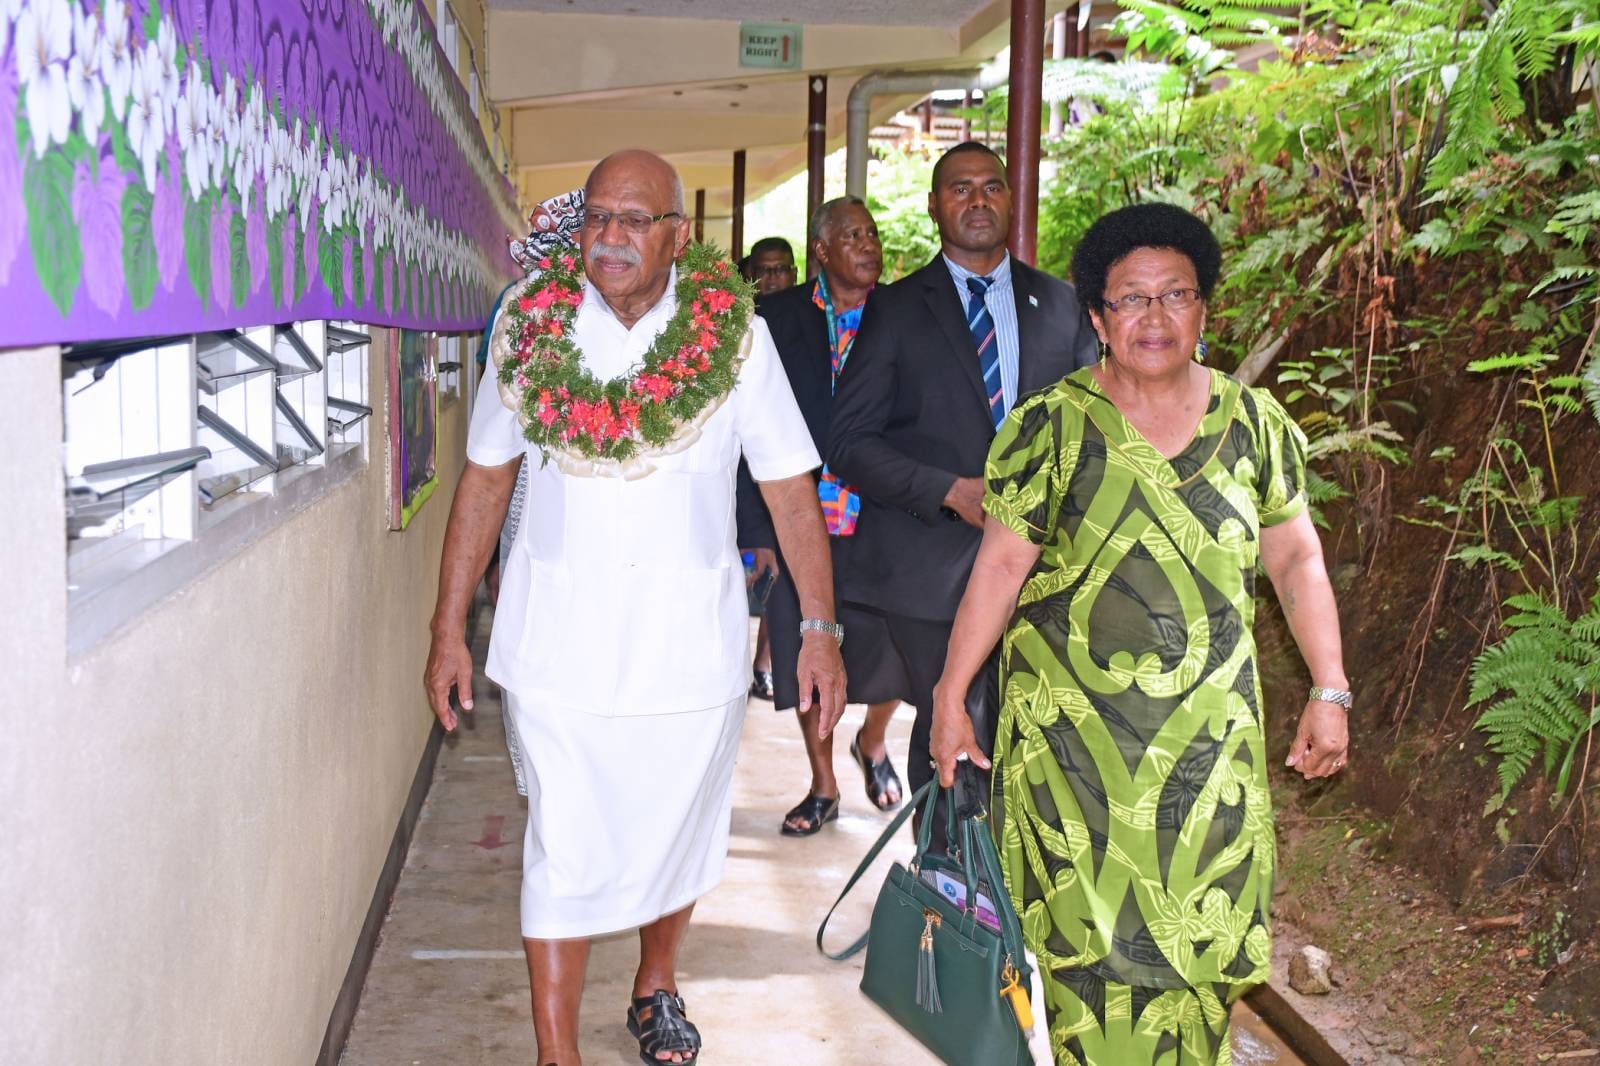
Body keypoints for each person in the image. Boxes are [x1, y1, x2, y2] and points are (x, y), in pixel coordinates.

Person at [424, 149, 846, 1066]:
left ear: (677, 237)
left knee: (672, 834)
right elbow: (486, 478)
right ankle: (555, 1052)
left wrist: (818, 631)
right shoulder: (529, 330)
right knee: (562, 849)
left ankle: (655, 983)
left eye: (633, 220)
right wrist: (446, 627)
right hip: (556, 646)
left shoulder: (734, 337)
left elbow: (787, 487)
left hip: (688, 650)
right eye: (598, 219)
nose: (610, 237)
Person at [930, 202, 1352, 1064]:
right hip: (1071, 759)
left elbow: (1297, 561)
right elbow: (1002, 569)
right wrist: (949, 694)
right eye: (1129, 299)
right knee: (1085, 973)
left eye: (1176, 296)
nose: (1154, 318)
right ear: (1096, 318)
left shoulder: (1255, 427)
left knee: (1199, 972)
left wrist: (1330, 689)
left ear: (1205, 310)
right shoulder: (1049, 428)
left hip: (1206, 767)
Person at [826, 140, 1099, 820]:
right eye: (959, 188)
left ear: (1010, 198)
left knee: (1026, 734)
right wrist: (949, 490)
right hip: (932, 565)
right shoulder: (894, 309)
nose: (977, 201)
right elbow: (848, 442)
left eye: (991, 187)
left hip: (1046, 570)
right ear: (934, 206)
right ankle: (950, 896)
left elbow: (1102, 428)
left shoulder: (1062, 306)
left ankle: (1002, 895)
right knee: (960, 714)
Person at [737, 197, 910, 835]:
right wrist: (756, 532)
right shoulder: (774, 318)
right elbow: (746, 436)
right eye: (853, 235)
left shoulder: (906, 314)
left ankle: (873, 739)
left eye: (873, 233)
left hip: (885, 517)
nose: (868, 245)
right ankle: (824, 782)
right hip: (802, 519)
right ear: (823, 250)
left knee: (898, 652)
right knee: (805, 647)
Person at [739, 235, 800, 698]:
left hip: (787, 474)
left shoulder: (809, 325)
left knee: (782, 580)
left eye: (782, 270)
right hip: (739, 483)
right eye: (765, 270)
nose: (774, 279)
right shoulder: (732, 331)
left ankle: (765, 662)